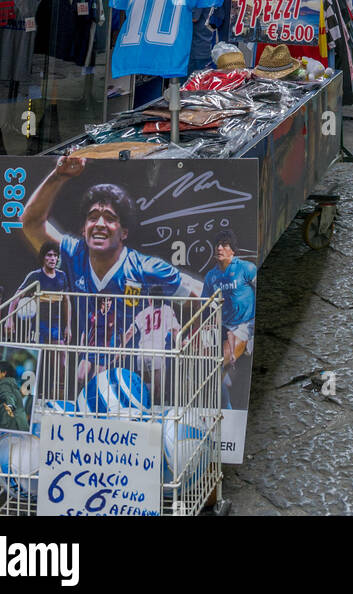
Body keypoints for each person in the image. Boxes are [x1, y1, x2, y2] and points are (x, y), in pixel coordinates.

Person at [20, 155, 202, 343]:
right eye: (93, 217)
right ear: (83, 229)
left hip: (133, 369)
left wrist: (195, 334)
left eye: (109, 218)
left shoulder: (146, 268)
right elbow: (31, 223)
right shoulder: (75, 253)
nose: (100, 224)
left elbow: (201, 293)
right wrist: (58, 176)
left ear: (123, 232)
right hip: (87, 367)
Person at [201, 231, 256, 409]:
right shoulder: (211, 277)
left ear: (233, 250)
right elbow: (204, 307)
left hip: (245, 325)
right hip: (223, 328)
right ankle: (227, 411)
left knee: (217, 366)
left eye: (224, 244)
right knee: (212, 375)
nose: (219, 248)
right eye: (217, 244)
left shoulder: (246, 269)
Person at [7, 240, 71, 346]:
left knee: (62, 360)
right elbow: (17, 297)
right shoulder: (34, 276)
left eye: (55, 255)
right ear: (43, 257)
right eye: (49, 255)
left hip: (55, 325)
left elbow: (67, 301)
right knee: (37, 358)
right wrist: (9, 319)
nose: (53, 258)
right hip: (37, 325)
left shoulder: (62, 276)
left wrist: (68, 326)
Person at [0, 360, 29, 431]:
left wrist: (10, 406)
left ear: (4, 373)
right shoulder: (11, 384)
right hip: (20, 427)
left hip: (13, 429)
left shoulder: (4, 385)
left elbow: (8, 397)